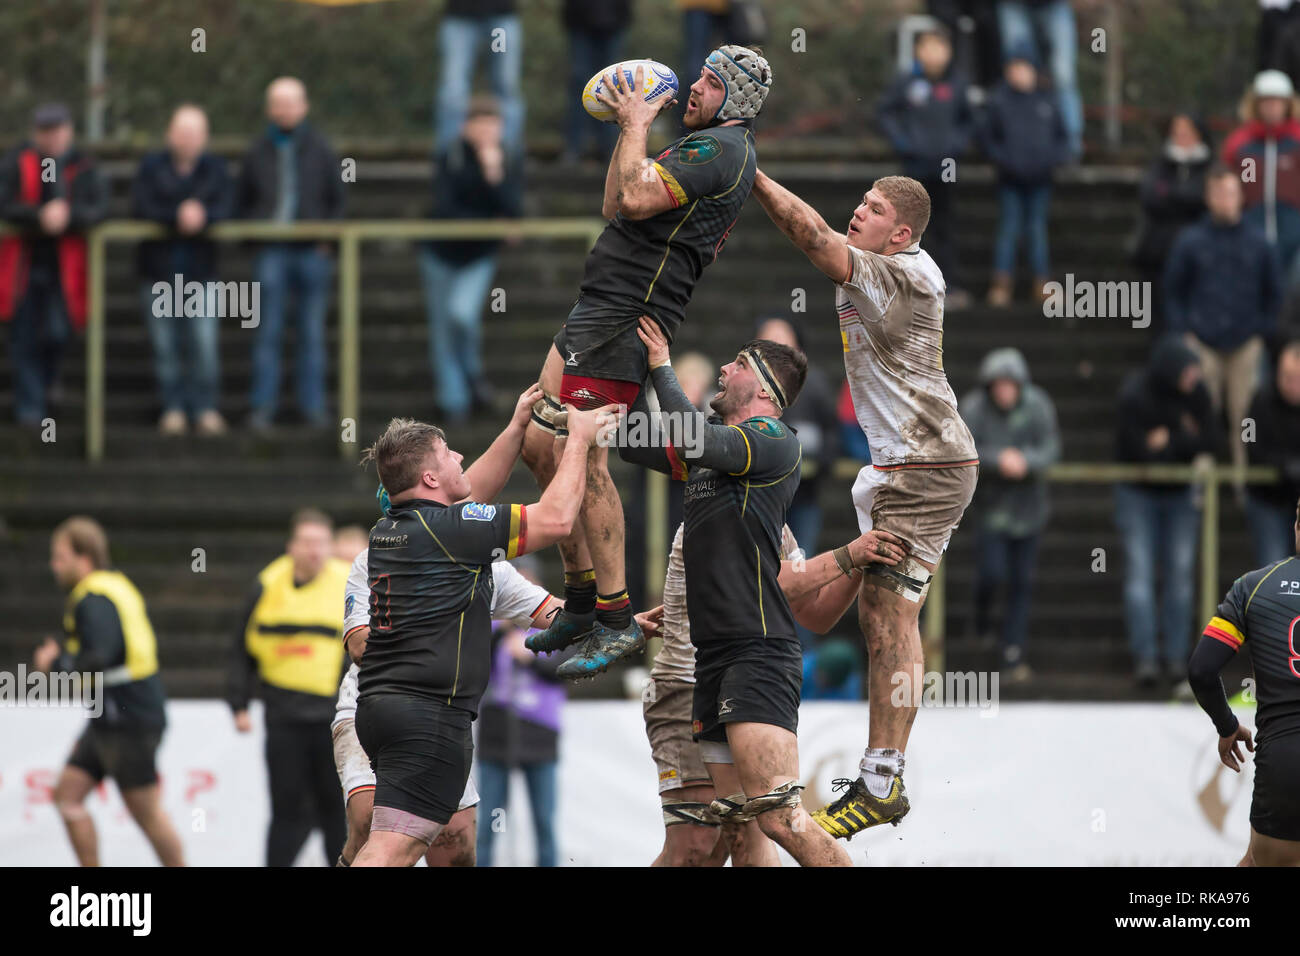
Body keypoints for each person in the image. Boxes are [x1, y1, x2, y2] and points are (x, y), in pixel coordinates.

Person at [520, 46, 773, 677]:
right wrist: (626, 135)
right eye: (700, 76)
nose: (695, 89)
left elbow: (635, 202)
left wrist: (636, 124)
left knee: (587, 452)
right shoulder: (699, 145)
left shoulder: (719, 149)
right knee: (536, 440)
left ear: (736, 101)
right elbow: (616, 201)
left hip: (627, 313)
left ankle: (614, 615)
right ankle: (580, 600)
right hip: (599, 306)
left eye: (711, 84)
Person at [617, 317, 908, 867]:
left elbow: (694, 434)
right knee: (740, 833)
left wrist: (660, 364)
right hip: (714, 660)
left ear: (766, 391)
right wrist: (628, 371)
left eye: (739, 364)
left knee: (779, 819)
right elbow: (637, 447)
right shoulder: (716, 454)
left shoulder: (773, 441)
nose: (724, 369)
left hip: (757, 653)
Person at [751, 171, 978, 837]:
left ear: (900, 232)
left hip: (924, 464)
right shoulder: (896, 266)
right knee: (865, 615)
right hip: (911, 465)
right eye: (861, 201)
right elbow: (814, 615)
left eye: (873, 209)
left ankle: (881, 783)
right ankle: (882, 779)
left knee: (888, 618)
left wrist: (748, 171)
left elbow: (814, 239)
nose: (858, 212)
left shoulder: (899, 271)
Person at [350, 392, 616, 866]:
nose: (459, 457)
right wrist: (578, 439)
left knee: (443, 844)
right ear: (430, 477)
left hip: (383, 707)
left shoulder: (391, 530)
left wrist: (516, 429)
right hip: (427, 716)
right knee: (394, 848)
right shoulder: (454, 530)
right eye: (449, 453)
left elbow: (468, 495)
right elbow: (555, 519)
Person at [331, 486, 564, 867]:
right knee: (372, 823)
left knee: (458, 840)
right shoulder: (379, 554)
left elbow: (554, 614)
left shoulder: (488, 567)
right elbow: (358, 645)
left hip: (444, 713)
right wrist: (433, 637)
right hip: (376, 702)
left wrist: (616, 622)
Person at [642, 519, 895, 866]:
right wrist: (848, 554)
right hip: (688, 685)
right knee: (699, 846)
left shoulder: (776, 521)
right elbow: (760, 585)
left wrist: (860, 562)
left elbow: (815, 614)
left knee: (748, 833)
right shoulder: (721, 505)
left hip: (747, 682)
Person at [32, 517, 184, 866]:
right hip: (113, 716)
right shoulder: (114, 585)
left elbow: (101, 655)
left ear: (83, 557)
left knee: (146, 813)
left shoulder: (94, 597)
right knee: (67, 796)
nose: (54, 566)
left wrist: (56, 665)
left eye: (60, 557)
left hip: (127, 718)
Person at [227, 508, 349, 867]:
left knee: (334, 811)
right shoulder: (267, 584)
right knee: (286, 810)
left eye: (322, 543)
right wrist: (239, 703)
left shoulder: (347, 582)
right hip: (282, 716)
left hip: (333, 717)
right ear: (291, 547)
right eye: (307, 542)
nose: (314, 551)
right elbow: (240, 647)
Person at [1187, 496, 1300, 866]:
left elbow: (1202, 669)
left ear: (1297, 527)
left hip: (1284, 764)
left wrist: (1227, 725)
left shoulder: (1255, 586)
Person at [238, 77, 344, 430]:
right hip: (271, 251)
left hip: (312, 252)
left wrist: (328, 239)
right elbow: (242, 201)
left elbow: (338, 200)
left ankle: (312, 408)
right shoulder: (256, 151)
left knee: (311, 332)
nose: (285, 110)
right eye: (278, 103)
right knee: (267, 330)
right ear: (270, 109)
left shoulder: (322, 149)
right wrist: (256, 235)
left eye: (291, 102)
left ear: (304, 106)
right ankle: (262, 408)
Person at [1164, 165, 1281, 477]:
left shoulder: (1259, 242)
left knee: (1246, 418)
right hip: (1202, 340)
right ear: (1207, 198)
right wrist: (1184, 332)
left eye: (1229, 192)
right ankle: (1200, 484)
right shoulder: (1190, 241)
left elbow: (1274, 292)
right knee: (1202, 413)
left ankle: (1247, 481)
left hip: (1246, 343)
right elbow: (1173, 290)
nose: (1224, 200)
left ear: (1240, 196)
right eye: (1217, 193)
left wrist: (1261, 332)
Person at [1114, 337, 1214, 688]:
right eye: (1189, 370)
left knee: (1180, 577)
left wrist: (1167, 440)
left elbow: (1208, 440)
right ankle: (1145, 658)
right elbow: (1131, 448)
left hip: (1181, 495)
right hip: (1137, 494)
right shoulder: (1135, 393)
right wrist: (1181, 438)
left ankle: (1175, 658)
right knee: (1139, 576)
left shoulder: (1198, 394)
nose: (1195, 377)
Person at [0, 103, 108, 427]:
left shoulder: (84, 166)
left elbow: (98, 209)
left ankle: (49, 386)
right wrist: (38, 217)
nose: (53, 137)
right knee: (25, 337)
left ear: (69, 130)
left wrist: (67, 217)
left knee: (59, 332)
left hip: (68, 269)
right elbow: (4, 203)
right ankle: (31, 410)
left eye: (58, 129)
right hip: (24, 268)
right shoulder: (16, 162)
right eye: (46, 130)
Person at [420, 96, 523, 423]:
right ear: (466, 126)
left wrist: (493, 171)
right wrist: (491, 222)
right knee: (443, 328)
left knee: (462, 316)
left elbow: (514, 208)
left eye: (492, 125)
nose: (485, 131)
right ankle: (455, 402)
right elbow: (445, 206)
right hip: (440, 254)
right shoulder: (450, 155)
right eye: (479, 124)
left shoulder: (507, 157)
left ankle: (472, 375)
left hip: (479, 255)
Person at [959, 347, 1060, 680]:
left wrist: (1026, 461)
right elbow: (963, 447)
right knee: (991, 572)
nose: (1003, 392)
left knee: (1022, 582)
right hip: (991, 510)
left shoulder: (1038, 405)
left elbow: (1051, 447)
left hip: (1029, 511)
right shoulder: (975, 407)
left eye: (1009, 385)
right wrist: (997, 459)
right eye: (997, 385)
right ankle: (982, 621)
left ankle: (1013, 651)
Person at [132, 104, 233, 437]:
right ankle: (173, 407)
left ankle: (204, 407)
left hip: (201, 275)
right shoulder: (150, 167)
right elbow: (140, 206)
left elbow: (229, 206)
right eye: (183, 132)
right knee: (166, 347)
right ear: (169, 135)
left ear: (205, 138)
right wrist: (177, 214)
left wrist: (203, 215)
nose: (189, 139)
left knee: (203, 345)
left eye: (195, 133)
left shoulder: (216, 169)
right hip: (158, 275)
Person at [877, 21, 974, 307]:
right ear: (918, 51)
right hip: (914, 168)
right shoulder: (906, 82)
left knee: (944, 224)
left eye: (939, 46)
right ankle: (908, 286)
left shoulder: (957, 83)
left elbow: (969, 121)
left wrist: (956, 145)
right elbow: (884, 113)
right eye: (928, 46)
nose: (934, 53)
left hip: (946, 168)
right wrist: (904, 143)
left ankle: (948, 285)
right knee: (910, 228)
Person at [979, 46, 1070, 306]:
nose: (1017, 74)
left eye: (1022, 67)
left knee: (1036, 229)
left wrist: (1051, 161)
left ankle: (1042, 282)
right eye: (1012, 68)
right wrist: (1003, 161)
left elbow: (1062, 138)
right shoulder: (999, 101)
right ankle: (1001, 282)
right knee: (1009, 228)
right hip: (1010, 178)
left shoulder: (1048, 100)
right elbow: (987, 138)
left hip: (1040, 179)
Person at [1131, 112, 1212, 333]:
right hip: (1159, 253)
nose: (1182, 136)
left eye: (1188, 130)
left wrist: (1173, 195)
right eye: (1177, 131)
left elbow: (1204, 199)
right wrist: (1188, 199)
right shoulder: (1160, 163)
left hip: (1201, 256)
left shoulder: (1210, 166)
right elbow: (1150, 196)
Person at [1221, 70, 1300, 282]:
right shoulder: (1240, 143)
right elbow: (1226, 183)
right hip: (1250, 230)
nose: (1272, 107)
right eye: (1266, 101)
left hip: (1294, 233)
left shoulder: (1297, 139)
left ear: (1288, 104)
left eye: (1277, 101)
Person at [435, 0, 525, 158]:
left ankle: (509, 158)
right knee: (453, 88)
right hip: (460, 16)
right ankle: (450, 159)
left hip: (500, 18)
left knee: (505, 84)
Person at [995, 0, 1082, 159]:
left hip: (1055, 5)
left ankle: (1071, 146)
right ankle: (1015, 148)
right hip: (1013, 5)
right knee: (1018, 75)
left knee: (1063, 75)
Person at [1245, 339, 1300, 566]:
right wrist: (1284, 466)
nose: (1293, 385)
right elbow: (1248, 443)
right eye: (1288, 377)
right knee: (1272, 569)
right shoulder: (1259, 401)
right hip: (1268, 500)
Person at [562, 0, 631, 163]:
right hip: (580, 18)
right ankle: (575, 147)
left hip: (613, 18)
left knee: (612, 86)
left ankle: (609, 149)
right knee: (580, 83)